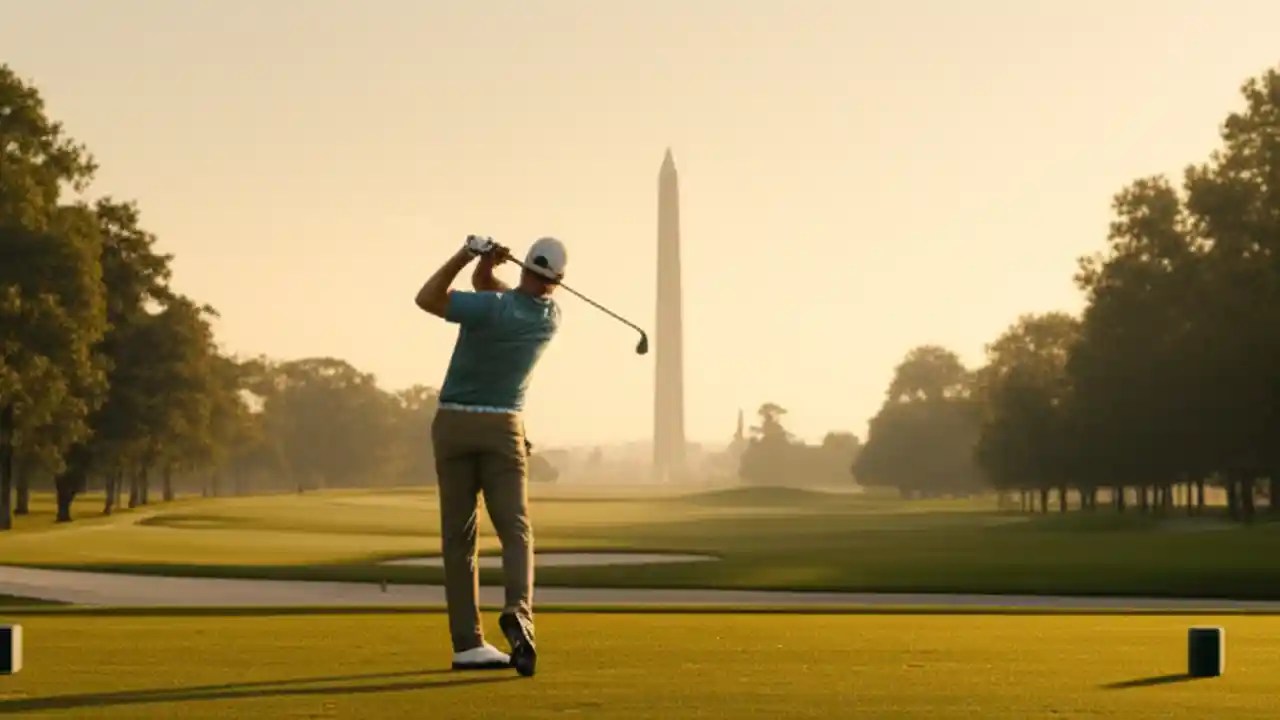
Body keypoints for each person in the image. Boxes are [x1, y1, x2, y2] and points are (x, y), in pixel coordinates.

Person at [414, 234, 567, 677]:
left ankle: (467, 644)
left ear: (525, 269)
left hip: (452, 425)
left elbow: (428, 298)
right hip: (504, 427)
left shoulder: (490, 309)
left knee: (459, 540)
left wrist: (468, 254)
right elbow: (500, 294)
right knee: (515, 530)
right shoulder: (550, 317)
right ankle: (519, 611)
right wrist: (487, 269)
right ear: (556, 281)